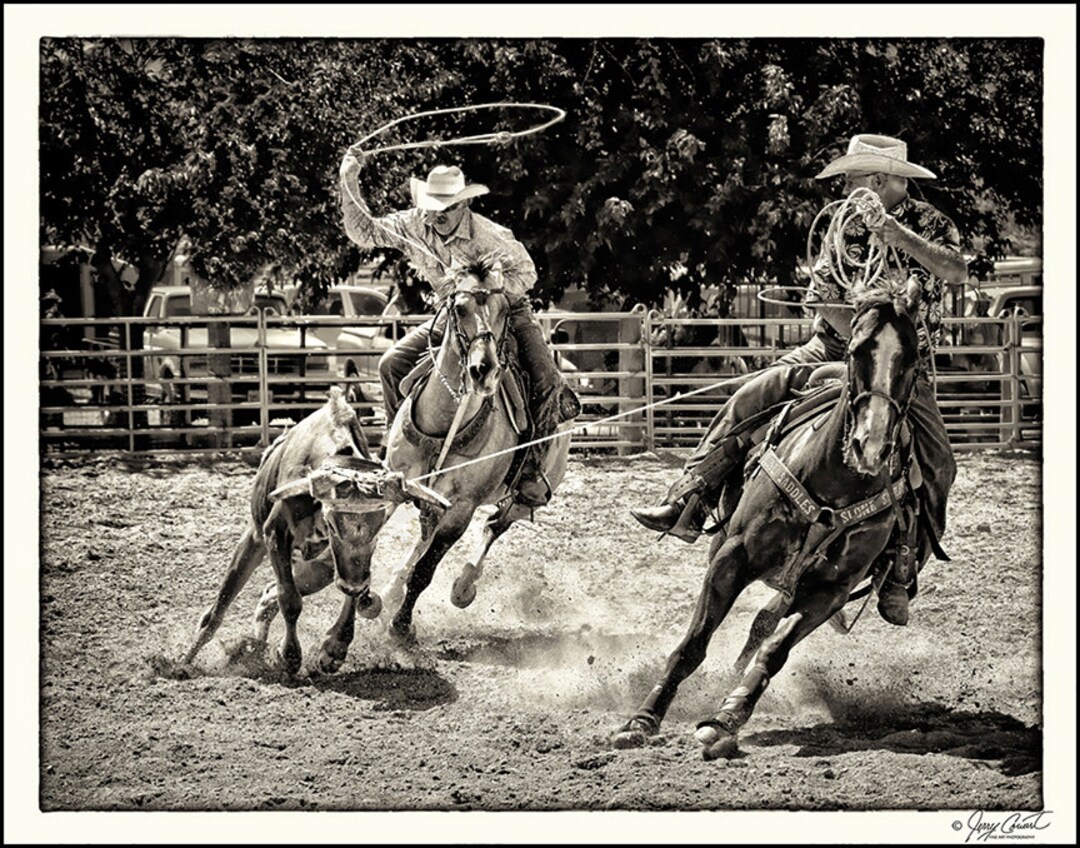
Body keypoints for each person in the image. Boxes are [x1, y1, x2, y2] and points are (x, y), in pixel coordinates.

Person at [630, 134, 968, 626]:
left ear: (879, 180)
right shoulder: (841, 224)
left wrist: (898, 236)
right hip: (835, 347)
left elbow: (956, 271)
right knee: (752, 394)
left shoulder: (933, 224)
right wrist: (862, 344)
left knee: (940, 464)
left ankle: (899, 568)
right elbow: (824, 297)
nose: (846, 187)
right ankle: (691, 494)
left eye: (852, 178)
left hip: (901, 364)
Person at [339, 153, 581, 506]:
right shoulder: (416, 225)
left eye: (447, 207)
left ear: (464, 205)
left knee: (545, 379)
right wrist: (349, 179)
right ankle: (393, 453)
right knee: (391, 364)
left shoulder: (490, 236)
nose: (437, 214)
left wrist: (490, 288)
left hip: (507, 311)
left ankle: (530, 469)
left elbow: (527, 274)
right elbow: (363, 231)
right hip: (455, 315)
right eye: (432, 206)